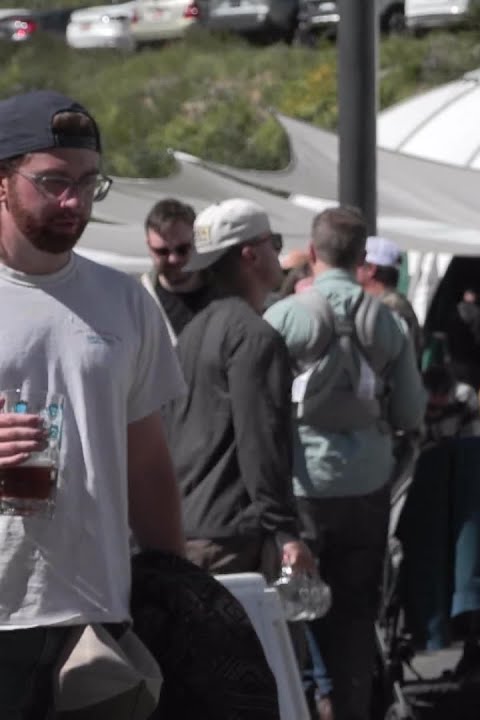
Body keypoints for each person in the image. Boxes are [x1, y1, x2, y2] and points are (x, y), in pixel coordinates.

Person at [0, 90, 186, 717]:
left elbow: (147, 461)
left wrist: (177, 589)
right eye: (52, 182)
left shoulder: (124, 300)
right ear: (1, 181)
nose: (73, 202)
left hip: (94, 614)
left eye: (87, 182)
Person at [264, 207, 427, 720]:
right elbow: (408, 411)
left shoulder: (284, 317)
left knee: (293, 613)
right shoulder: (387, 320)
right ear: (362, 259)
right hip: (367, 486)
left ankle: (305, 704)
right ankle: (346, 706)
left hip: (302, 487)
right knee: (355, 620)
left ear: (312, 253)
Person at [165, 198, 314, 579]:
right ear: (250, 255)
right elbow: (262, 440)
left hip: (189, 524)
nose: (278, 254)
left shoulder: (193, 332)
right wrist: (286, 532)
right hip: (232, 537)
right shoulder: (253, 336)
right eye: (274, 243)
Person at [139, 197, 213, 343]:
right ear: (148, 246)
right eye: (162, 251)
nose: (173, 259)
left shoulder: (228, 292)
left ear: (196, 240)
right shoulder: (138, 299)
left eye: (182, 249)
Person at [358, 235, 425, 366]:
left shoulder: (390, 307)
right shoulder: (390, 303)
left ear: (371, 269)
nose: (352, 267)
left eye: (358, 262)